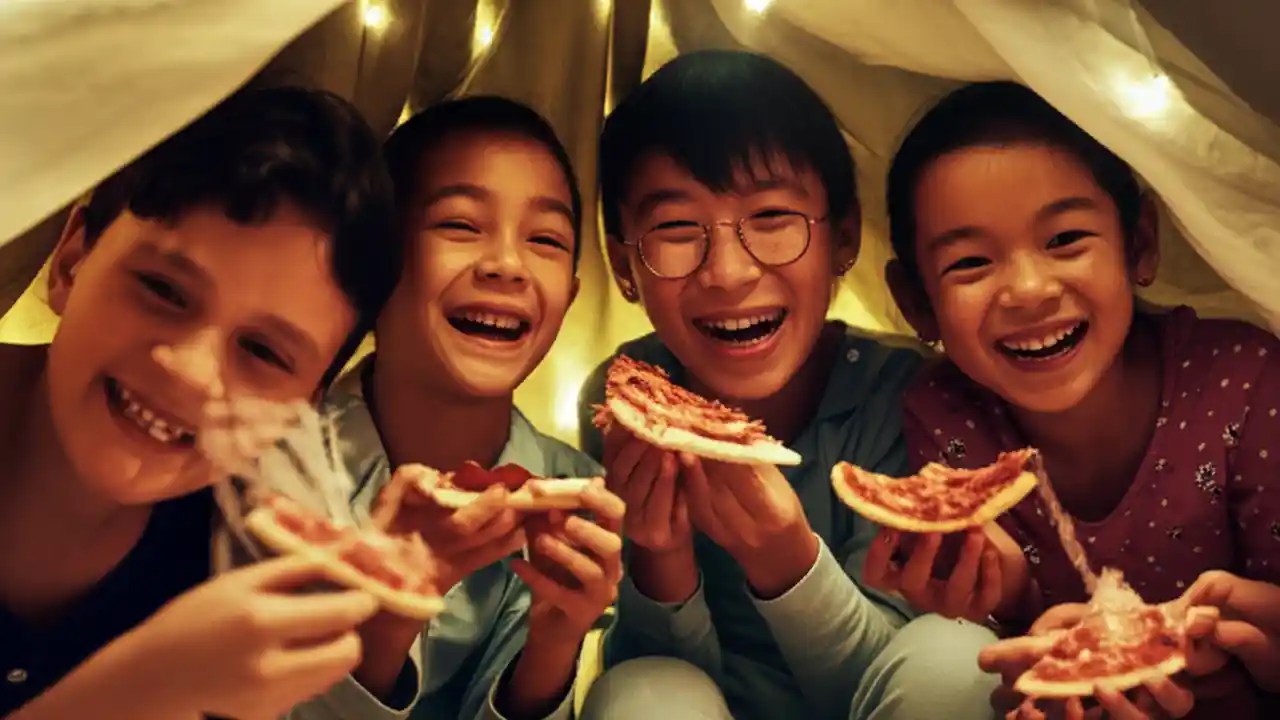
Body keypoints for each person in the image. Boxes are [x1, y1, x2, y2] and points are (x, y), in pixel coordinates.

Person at [577, 50, 1001, 720]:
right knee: (642, 695)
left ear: (843, 238)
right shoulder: (630, 394)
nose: (728, 272)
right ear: (623, 264)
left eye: (772, 219)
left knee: (954, 655)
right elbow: (659, 680)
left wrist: (786, 559)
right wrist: (661, 557)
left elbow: (914, 682)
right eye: (677, 230)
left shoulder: (909, 396)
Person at [878, 80, 1280, 716]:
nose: (1029, 289)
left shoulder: (1245, 381)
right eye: (971, 264)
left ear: (1140, 242)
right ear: (916, 303)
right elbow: (999, 639)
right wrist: (1005, 598)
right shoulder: (943, 416)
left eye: (1064, 239)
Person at [0, 85, 401, 720]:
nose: (189, 373)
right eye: (162, 288)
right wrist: (143, 687)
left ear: (302, 406)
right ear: (72, 260)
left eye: (265, 353)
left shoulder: (239, 555)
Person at [293, 96, 624, 720]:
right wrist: (389, 618)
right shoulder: (281, 468)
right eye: (460, 226)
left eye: (546, 239)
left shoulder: (569, 492)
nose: (506, 265)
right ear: (377, 261)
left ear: (571, 295)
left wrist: (555, 643)